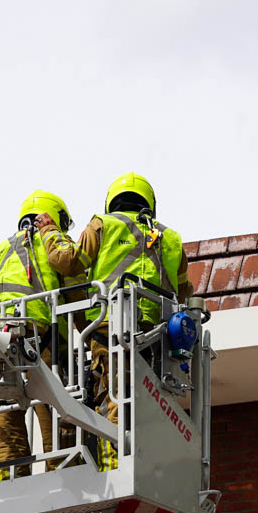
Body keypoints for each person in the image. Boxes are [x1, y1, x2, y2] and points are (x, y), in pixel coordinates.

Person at [55, 173, 191, 465]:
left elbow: (72, 264)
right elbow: (185, 291)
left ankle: (114, 468)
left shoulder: (103, 224)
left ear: (111, 201)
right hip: (157, 336)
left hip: (110, 326)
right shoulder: (171, 239)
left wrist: (50, 235)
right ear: (149, 203)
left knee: (113, 398)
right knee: (149, 405)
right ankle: (146, 465)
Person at [0, 189, 83, 480]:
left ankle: (10, 480)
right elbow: (77, 291)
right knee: (55, 415)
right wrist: (94, 333)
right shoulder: (55, 240)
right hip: (39, 338)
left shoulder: (3, 247)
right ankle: (65, 477)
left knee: (5, 417)